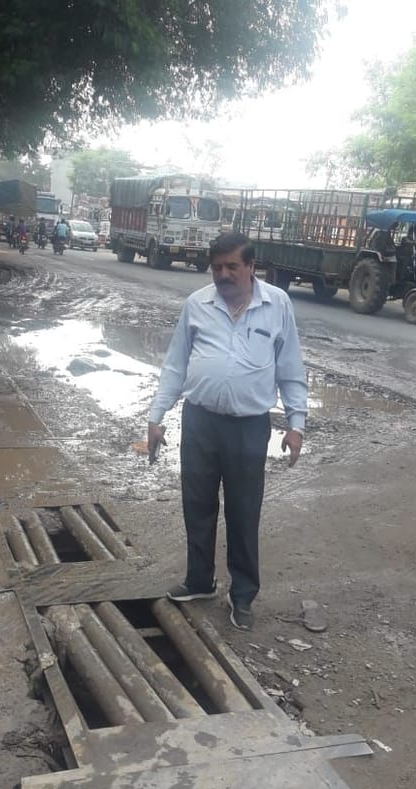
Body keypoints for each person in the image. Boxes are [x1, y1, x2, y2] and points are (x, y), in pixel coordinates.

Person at [147, 232, 307, 631]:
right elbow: (175, 364)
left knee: (243, 511)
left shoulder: (277, 306)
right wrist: (156, 416)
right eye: (217, 267)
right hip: (200, 421)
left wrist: (296, 423)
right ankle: (200, 581)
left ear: (252, 266)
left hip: (249, 428)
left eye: (232, 266)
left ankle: (243, 596)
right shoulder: (197, 304)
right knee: (197, 505)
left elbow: (290, 368)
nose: (223, 274)